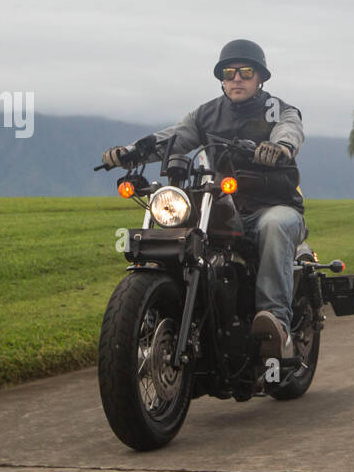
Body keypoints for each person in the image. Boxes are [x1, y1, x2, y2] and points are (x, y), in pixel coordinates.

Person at [101, 38, 305, 361]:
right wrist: (130, 152)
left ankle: (275, 324)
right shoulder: (206, 114)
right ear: (222, 78)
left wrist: (279, 148)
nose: (237, 78)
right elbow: (173, 139)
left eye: (245, 71)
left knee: (275, 226)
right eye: (229, 72)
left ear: (260, 77)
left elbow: (290, 131)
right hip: (223, 207)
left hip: (273, 206)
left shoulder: (281, 110)